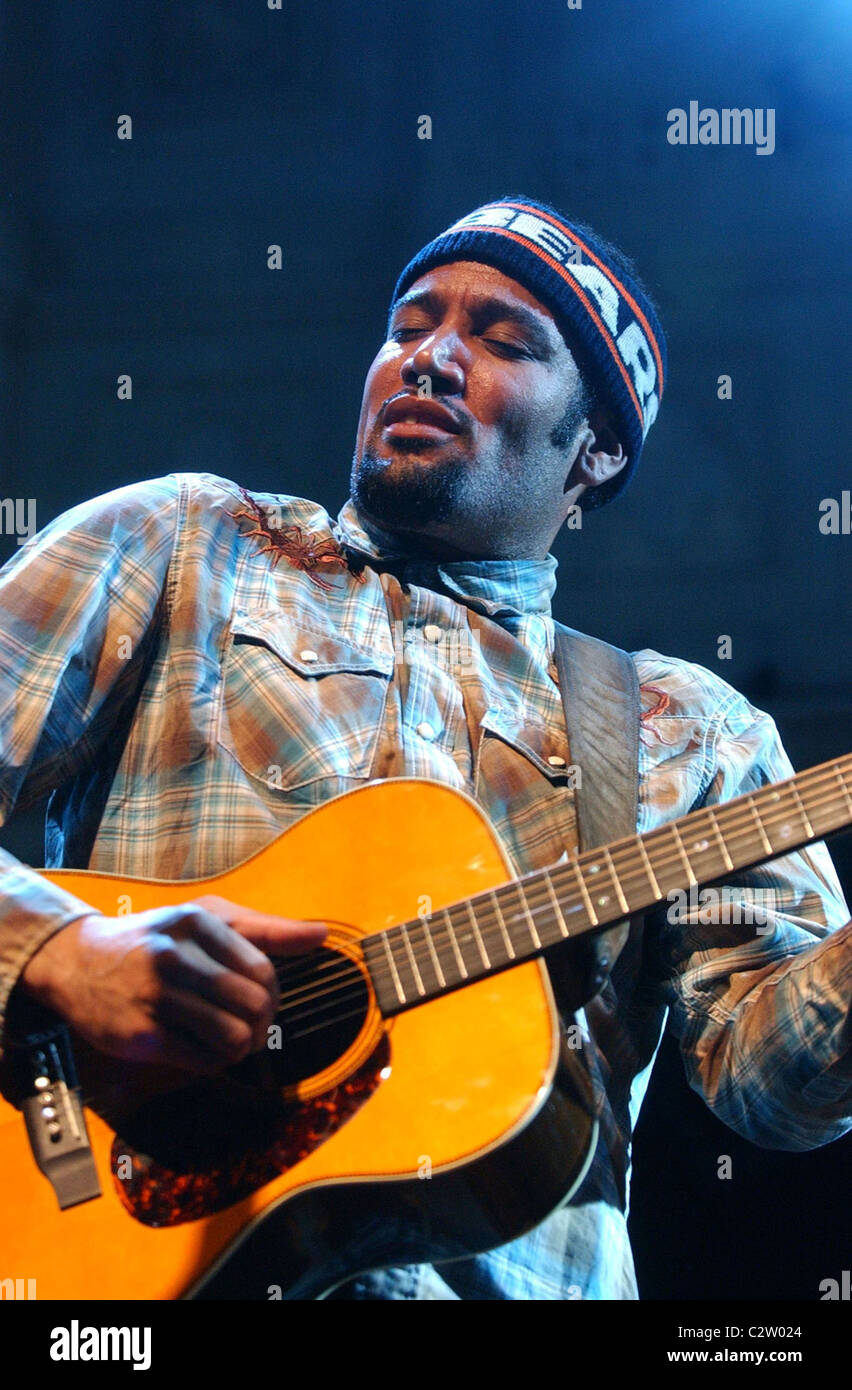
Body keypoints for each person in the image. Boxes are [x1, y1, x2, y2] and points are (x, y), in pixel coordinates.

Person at [1, 197, 849, 1300]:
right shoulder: (184, 544)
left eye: (504, 341)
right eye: (409, 324)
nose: (432, 358)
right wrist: (59, 953)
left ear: (592, 451)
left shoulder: (689, 729)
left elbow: (773, 1093)